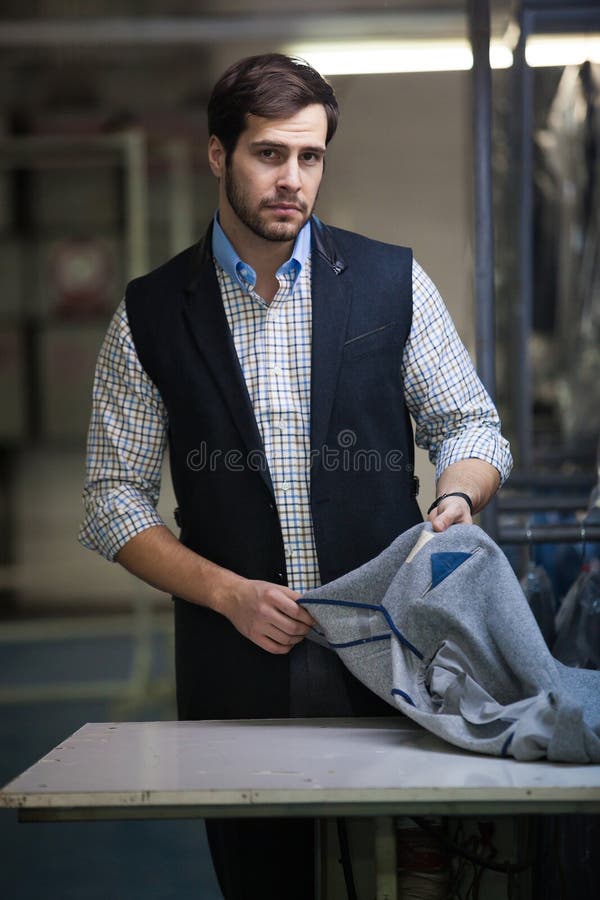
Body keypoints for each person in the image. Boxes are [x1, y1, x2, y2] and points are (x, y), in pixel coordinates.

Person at [80, 53, 512, 899]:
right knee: (264, 882)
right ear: (218, 155)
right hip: (233, 664)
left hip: (390, 648)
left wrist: (457, 494)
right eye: (269, 154)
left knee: (405, 876)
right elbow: (109, 497)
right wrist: (226, 592)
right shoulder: (150, 313)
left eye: (309, 157)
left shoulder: (391, 281)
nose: (292, 179)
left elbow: (471, 424)